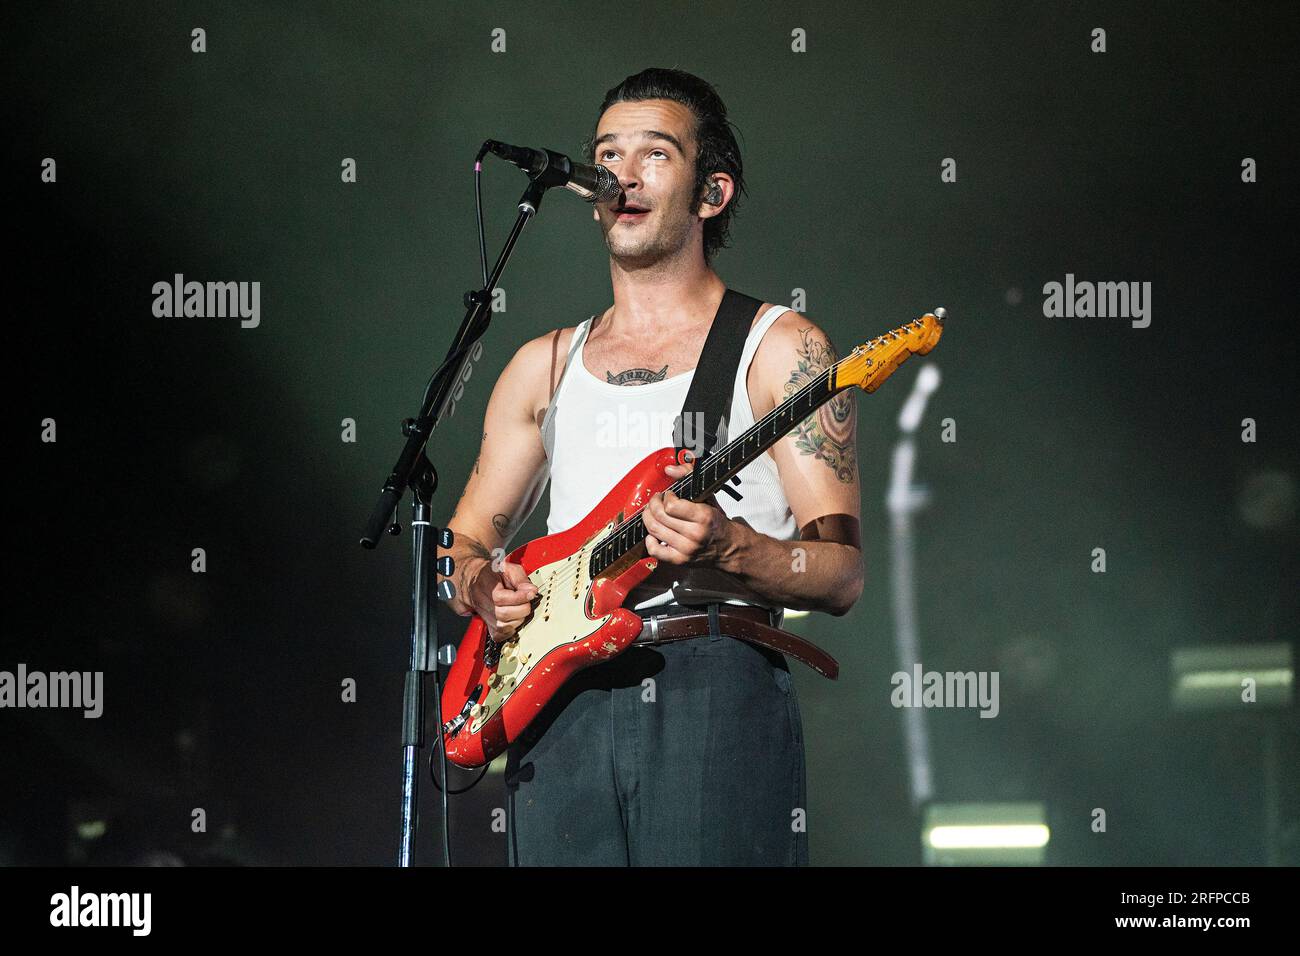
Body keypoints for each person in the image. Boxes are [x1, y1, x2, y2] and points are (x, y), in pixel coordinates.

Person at [439, 67, 863, 865]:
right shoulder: (543, 364)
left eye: (655, 155)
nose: (620, 176)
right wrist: (478, 589)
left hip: (711, 675)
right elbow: (458, 548)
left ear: (713, 192)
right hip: (556, 694)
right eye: (606, 154)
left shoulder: (782, 347)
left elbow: (840, 575)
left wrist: (734, 548)